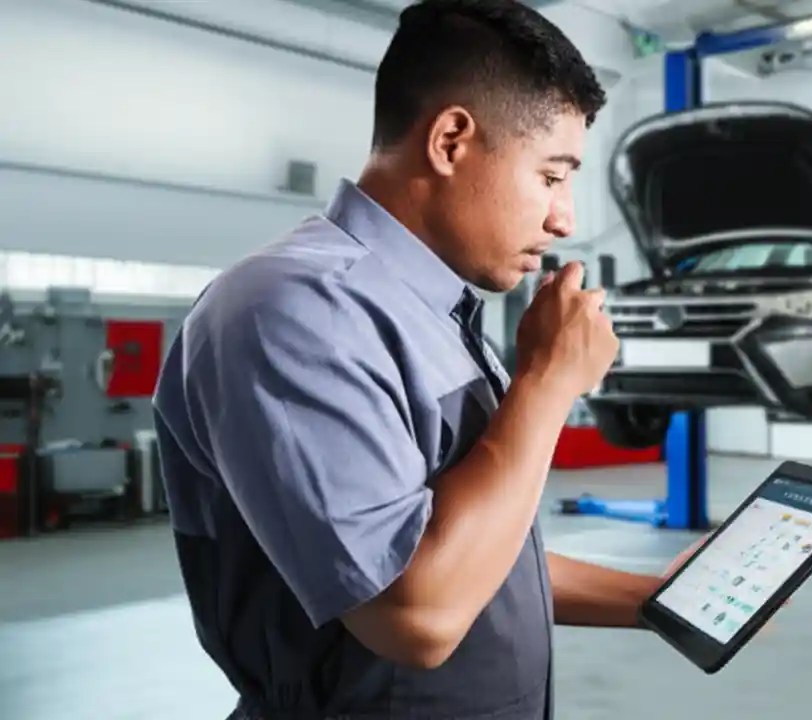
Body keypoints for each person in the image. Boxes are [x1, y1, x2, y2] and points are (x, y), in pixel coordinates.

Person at [151, 1, 700, 718]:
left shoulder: (438, 313)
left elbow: (480, 556)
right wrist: (549, 380)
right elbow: (415, 613)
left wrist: (655, 601)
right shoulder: (289, 310)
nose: (564, 217)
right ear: (450, 140)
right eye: (552, 175)